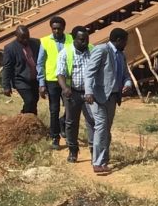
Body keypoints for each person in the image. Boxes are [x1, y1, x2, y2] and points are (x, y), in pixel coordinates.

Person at [85, 27, 132, 175]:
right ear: (118, 40)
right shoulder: (102, 50)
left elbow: (126, 75)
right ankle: (97, 162)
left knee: (106, 128)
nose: (126, 44)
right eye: (125, 41)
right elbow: (89, 72)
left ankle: (103, 160)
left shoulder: (121, 55)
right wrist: (88, 91)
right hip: (98, 96)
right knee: (101, 127)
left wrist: (128, 84)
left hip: (113, 97)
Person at [36, 16, 74, 146]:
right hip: (52, 80)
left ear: (64, 28)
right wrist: (41, 83)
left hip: (67, 79)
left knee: (70, 108)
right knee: (54, 109)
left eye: (59, 29)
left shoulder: (70, 39)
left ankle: (65, 127)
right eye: (54, 29)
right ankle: (55, 137)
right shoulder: (45, 41)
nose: (56, 31)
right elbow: (40, 63)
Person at [63, 26, 93, 163]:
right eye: (81, 39)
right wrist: (65, 88)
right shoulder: (66, 52)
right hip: (72, 92)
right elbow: (60, 73)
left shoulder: (93, 51)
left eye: (87, 39)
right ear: (74, 39)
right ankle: (73, 150)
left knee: (92, 121)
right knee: (71, 122)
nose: (85, 42)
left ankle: (94, 151)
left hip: (89, 94)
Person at [0, 25, 40, 115]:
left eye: (27, 37)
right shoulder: (10, 48)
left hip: (34, 79)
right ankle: (25, 118)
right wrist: (6, 86)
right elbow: (7, 68)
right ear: (16, 36)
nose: (25, 40)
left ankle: (28, 118)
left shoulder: (36, 43)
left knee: (34, 101)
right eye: (22, 38)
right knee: (29, 100)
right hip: (20, 79)